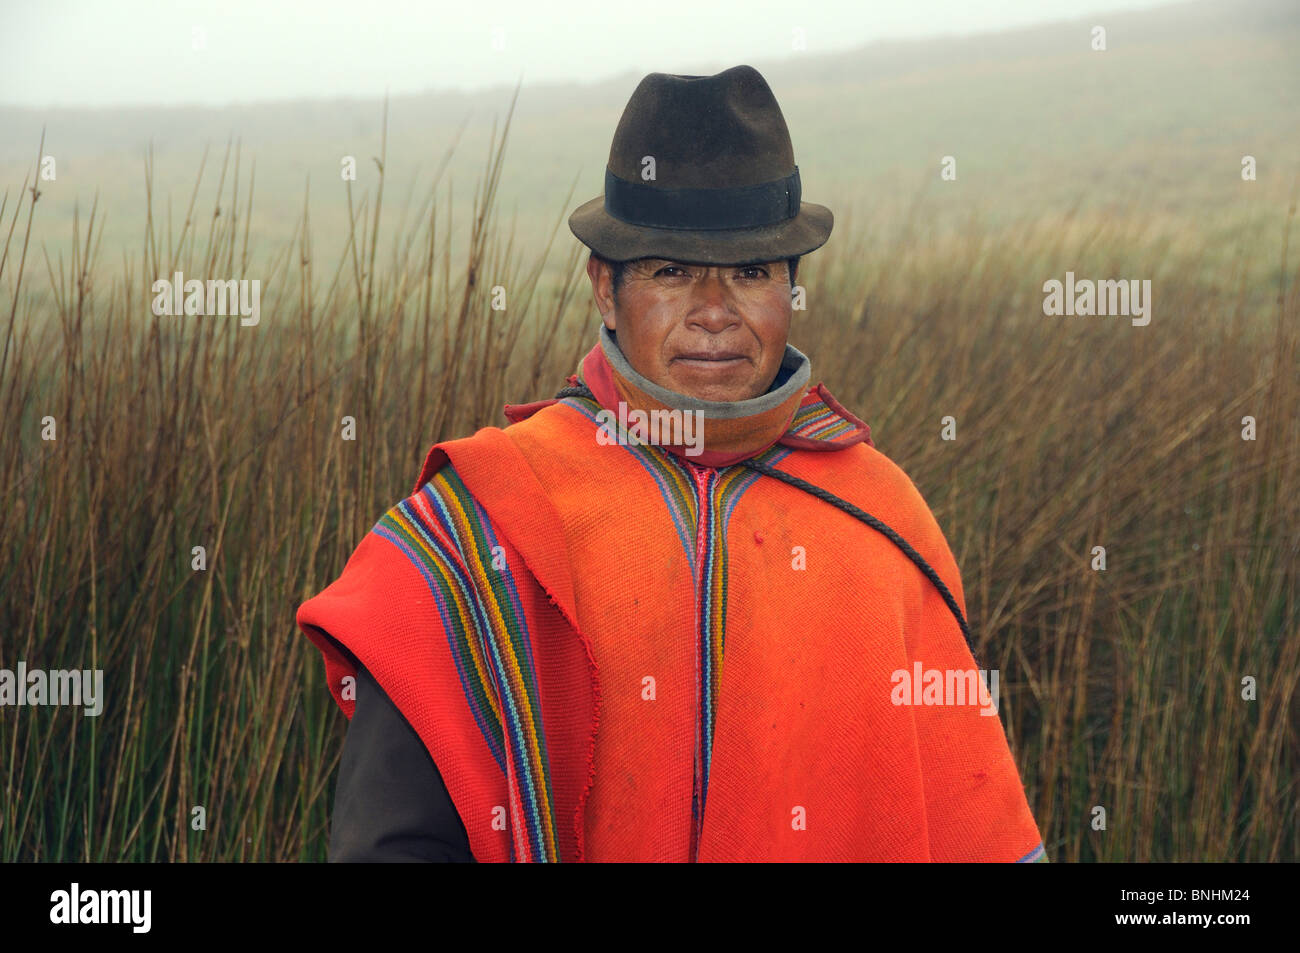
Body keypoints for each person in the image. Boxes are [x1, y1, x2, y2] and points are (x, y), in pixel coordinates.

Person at [297, 64, 1047, 863]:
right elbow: (392, 844)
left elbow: (985, 833)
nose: (715, 312)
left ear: (792, 291)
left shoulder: (882, 523)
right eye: (671, 271)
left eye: (752, 273)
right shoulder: (487, 519)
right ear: (605, 288)